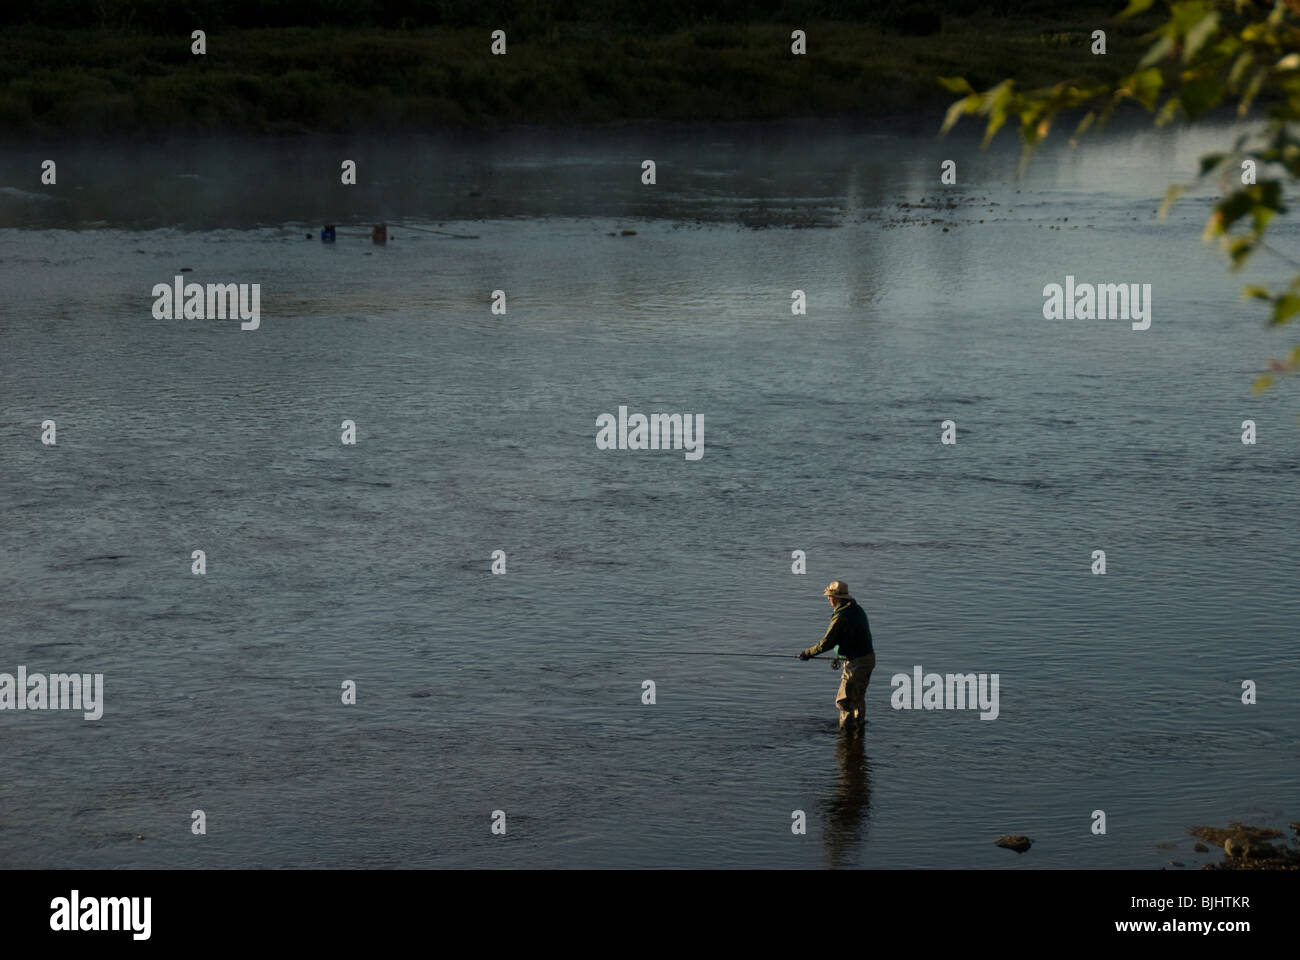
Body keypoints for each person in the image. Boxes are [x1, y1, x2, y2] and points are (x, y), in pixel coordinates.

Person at [798, 581, 876, 732]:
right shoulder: (857, 610)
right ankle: (858, 734)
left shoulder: (841, 616)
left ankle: (846, 736)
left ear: (838, 598)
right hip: (868, 659)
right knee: (858, 699)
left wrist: (806, 654)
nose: (828, 599)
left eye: (830, 596)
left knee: (844, 701)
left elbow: (826, 643)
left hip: (857, 663)